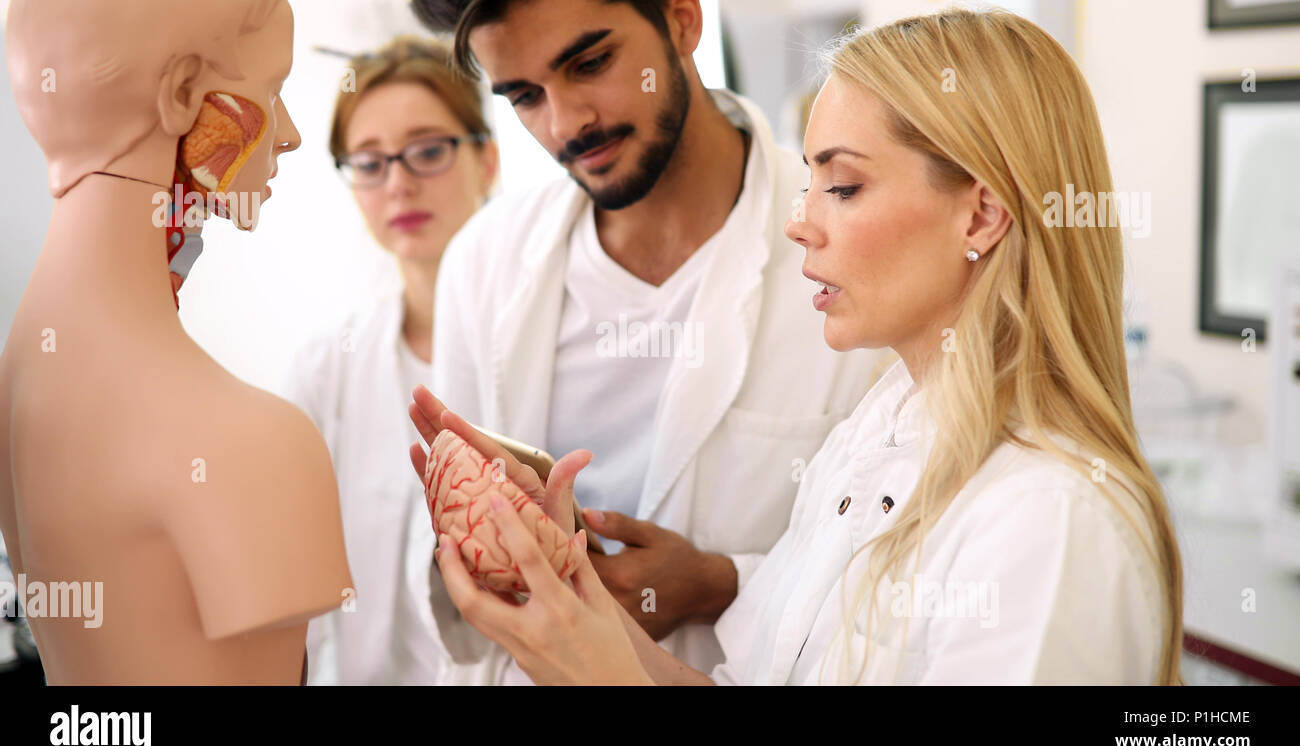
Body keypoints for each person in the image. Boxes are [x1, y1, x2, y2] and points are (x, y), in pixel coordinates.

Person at [411, 8, 1185, 685]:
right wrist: (566, 583)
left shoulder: (1051, 522)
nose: (798, 221)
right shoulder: (869, 440)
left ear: (981, 217)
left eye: (843, 188)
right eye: (811, 182)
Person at [408, 0, 887, 682]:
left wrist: (721, 583)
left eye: (591, 63)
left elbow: (901, 574)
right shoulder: (483, 262)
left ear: (683, 18)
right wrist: (498, 532)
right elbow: (446, 590)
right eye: (524, 96)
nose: (565, 123)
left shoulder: (847, 247)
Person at [0, 0, 353, 684]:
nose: (291, 136)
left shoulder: (21, 379)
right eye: (272, 92)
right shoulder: (255, 444)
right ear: (184, 93)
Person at [280, 36, 500, 685]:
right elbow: (298, 599)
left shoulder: (546, 343)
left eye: (428, 150)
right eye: (370, 163)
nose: (399, 182)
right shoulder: (326, 371)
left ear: (487, 160)